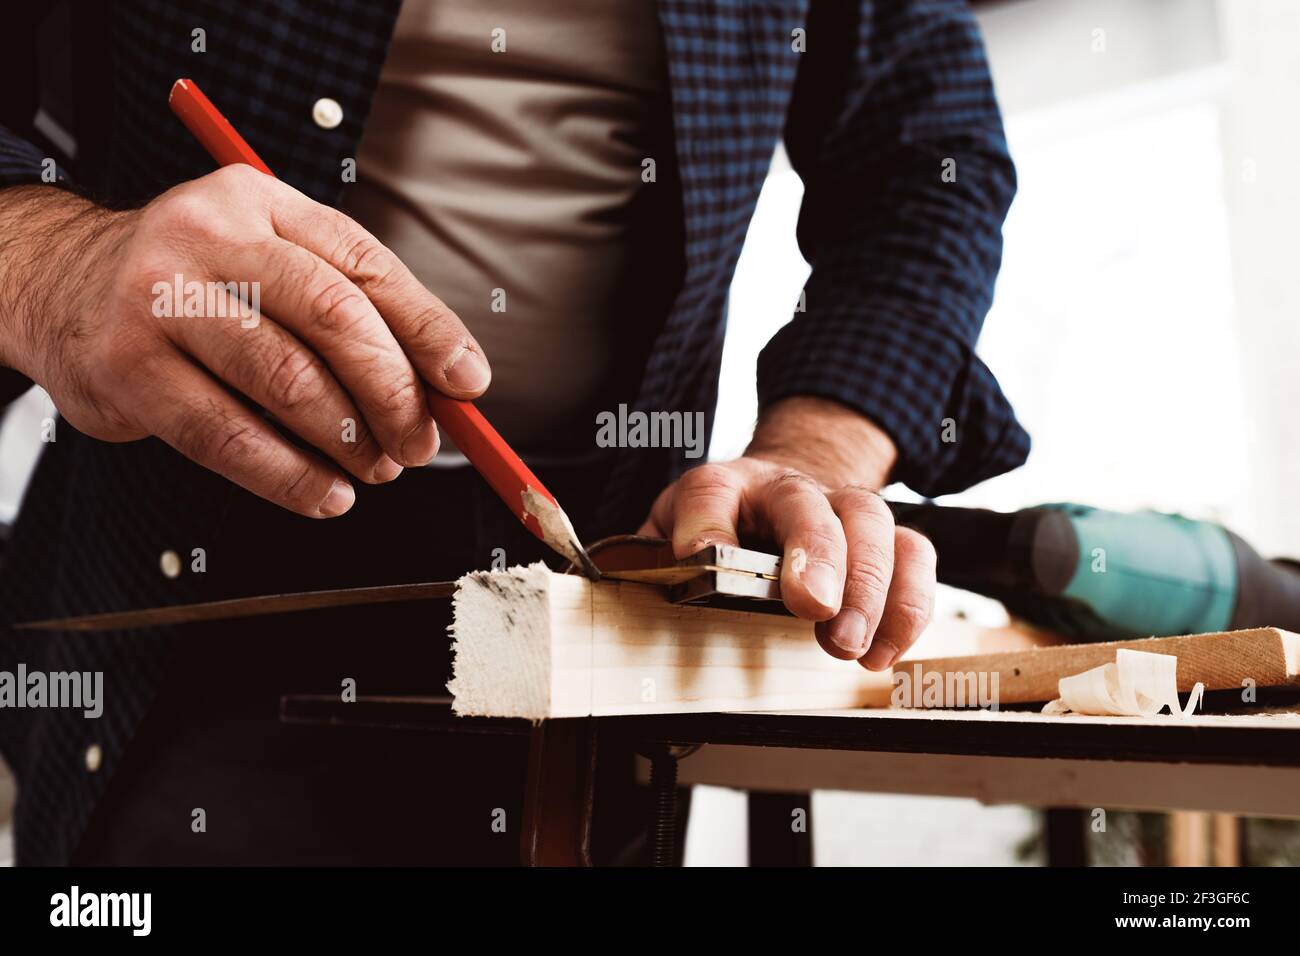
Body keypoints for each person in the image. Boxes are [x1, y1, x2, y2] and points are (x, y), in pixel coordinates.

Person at [0, 0, 1028, 864]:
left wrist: (814, 452)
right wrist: (50, 266)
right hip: (182, 555)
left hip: (595, 601)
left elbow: (925, 156)